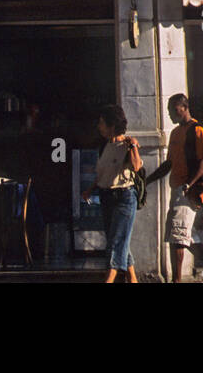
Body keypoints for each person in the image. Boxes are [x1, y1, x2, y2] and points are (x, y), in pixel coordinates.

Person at [147, 93, 203, 284]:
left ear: (184, 107)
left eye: (173, 109)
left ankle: (177, 280)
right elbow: (169, 163)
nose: (170, 114)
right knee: (185, 238)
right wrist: (148, 180)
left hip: (188, 192)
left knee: (177, 237)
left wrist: (190, 184)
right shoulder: (175, 133)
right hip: (177, 189)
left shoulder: (197, 130)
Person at [82, 104, 143, 283]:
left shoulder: (127, 144)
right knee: (118, 239)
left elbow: (136, 166)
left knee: (116, 242)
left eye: (102, 123)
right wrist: (90, 190)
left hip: (124, 198)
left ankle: (109, 279)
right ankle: (132, 278)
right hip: (106, 197)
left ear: (112, 125)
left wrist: (132, 146)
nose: (99, 126)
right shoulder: (106, 146)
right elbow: (102, 174)